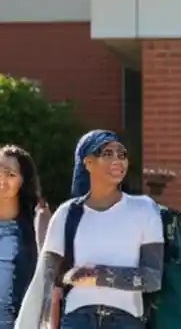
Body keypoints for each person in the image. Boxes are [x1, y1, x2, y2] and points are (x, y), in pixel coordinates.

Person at [16, 130, 164, 329]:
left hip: (126, 320)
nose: (117, 160)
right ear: (88, 163)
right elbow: (45, 279)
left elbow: (152, 278)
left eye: (122, 155)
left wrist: (97, 275)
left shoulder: (144, 209)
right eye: (107, 154)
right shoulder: (67, 213)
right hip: (77, 319)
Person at [0, 146, 47, 329]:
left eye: (10, 175)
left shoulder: (37, 221)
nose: (2, 180)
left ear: (22, 181)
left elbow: (47, 274)